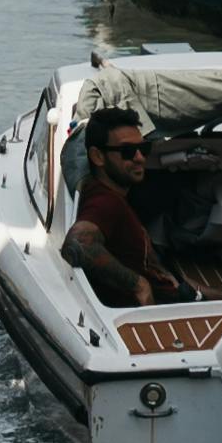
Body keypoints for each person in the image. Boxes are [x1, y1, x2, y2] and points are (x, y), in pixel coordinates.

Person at [68, 106, 179, 307]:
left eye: (144, 149)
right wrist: (138, 285)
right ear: (97, 156)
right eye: (127, 151)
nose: (140, 158)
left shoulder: (111, 194)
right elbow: (78, 242)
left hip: (170, 289)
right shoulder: (106, 202)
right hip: (161, 306)